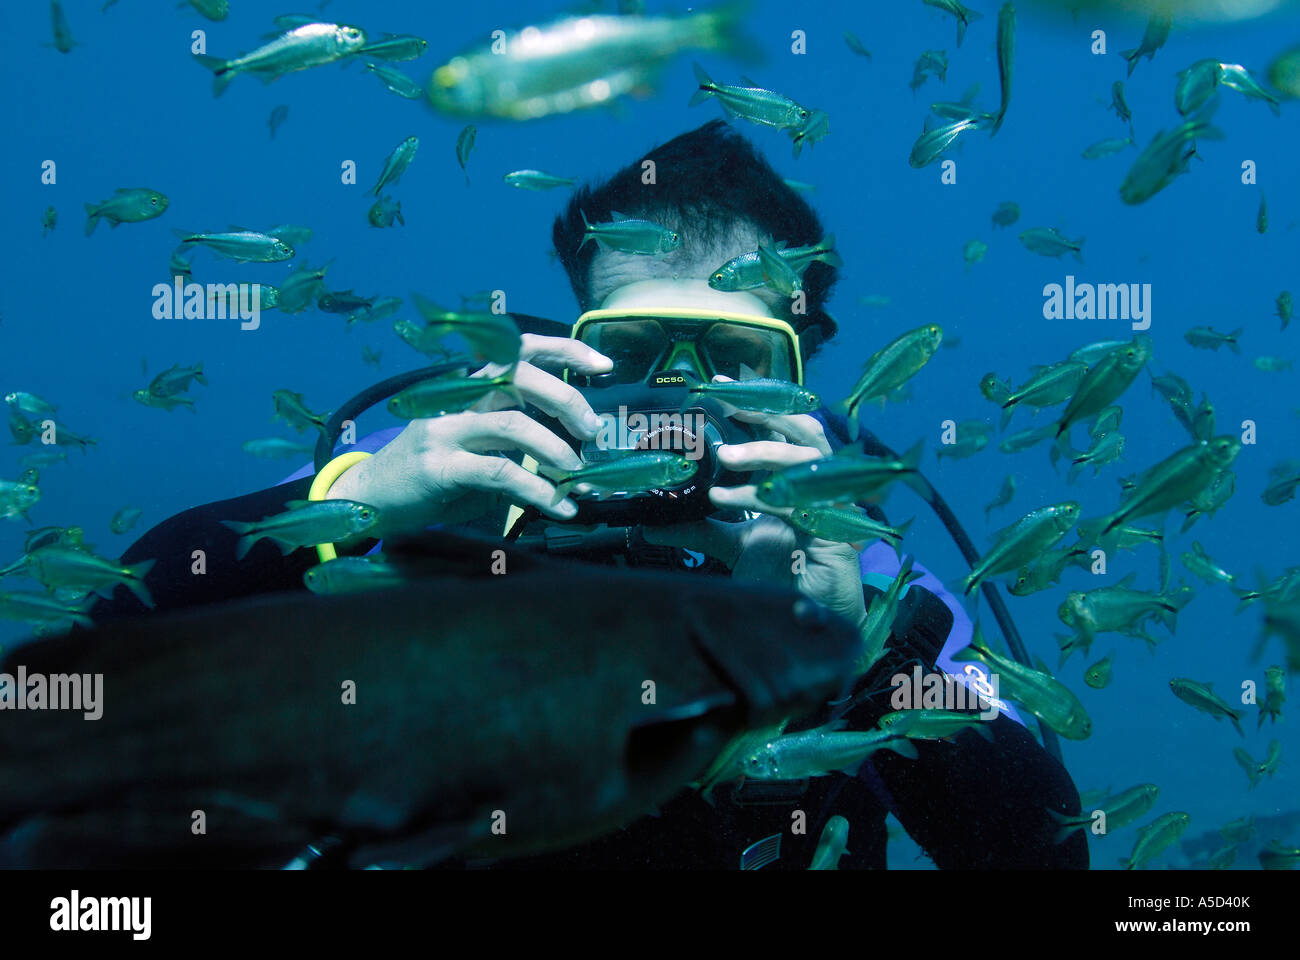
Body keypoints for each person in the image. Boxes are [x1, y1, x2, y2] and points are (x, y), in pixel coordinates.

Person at [91, 121, 1087, 869]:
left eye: (736, 358)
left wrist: (858, 647)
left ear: (800, 371)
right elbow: (106, 641)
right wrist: (355, 506)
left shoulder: (859, 567)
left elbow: (1045, 851)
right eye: (633, 352)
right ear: (575, 339)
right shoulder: (460, 479)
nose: (679, 398)